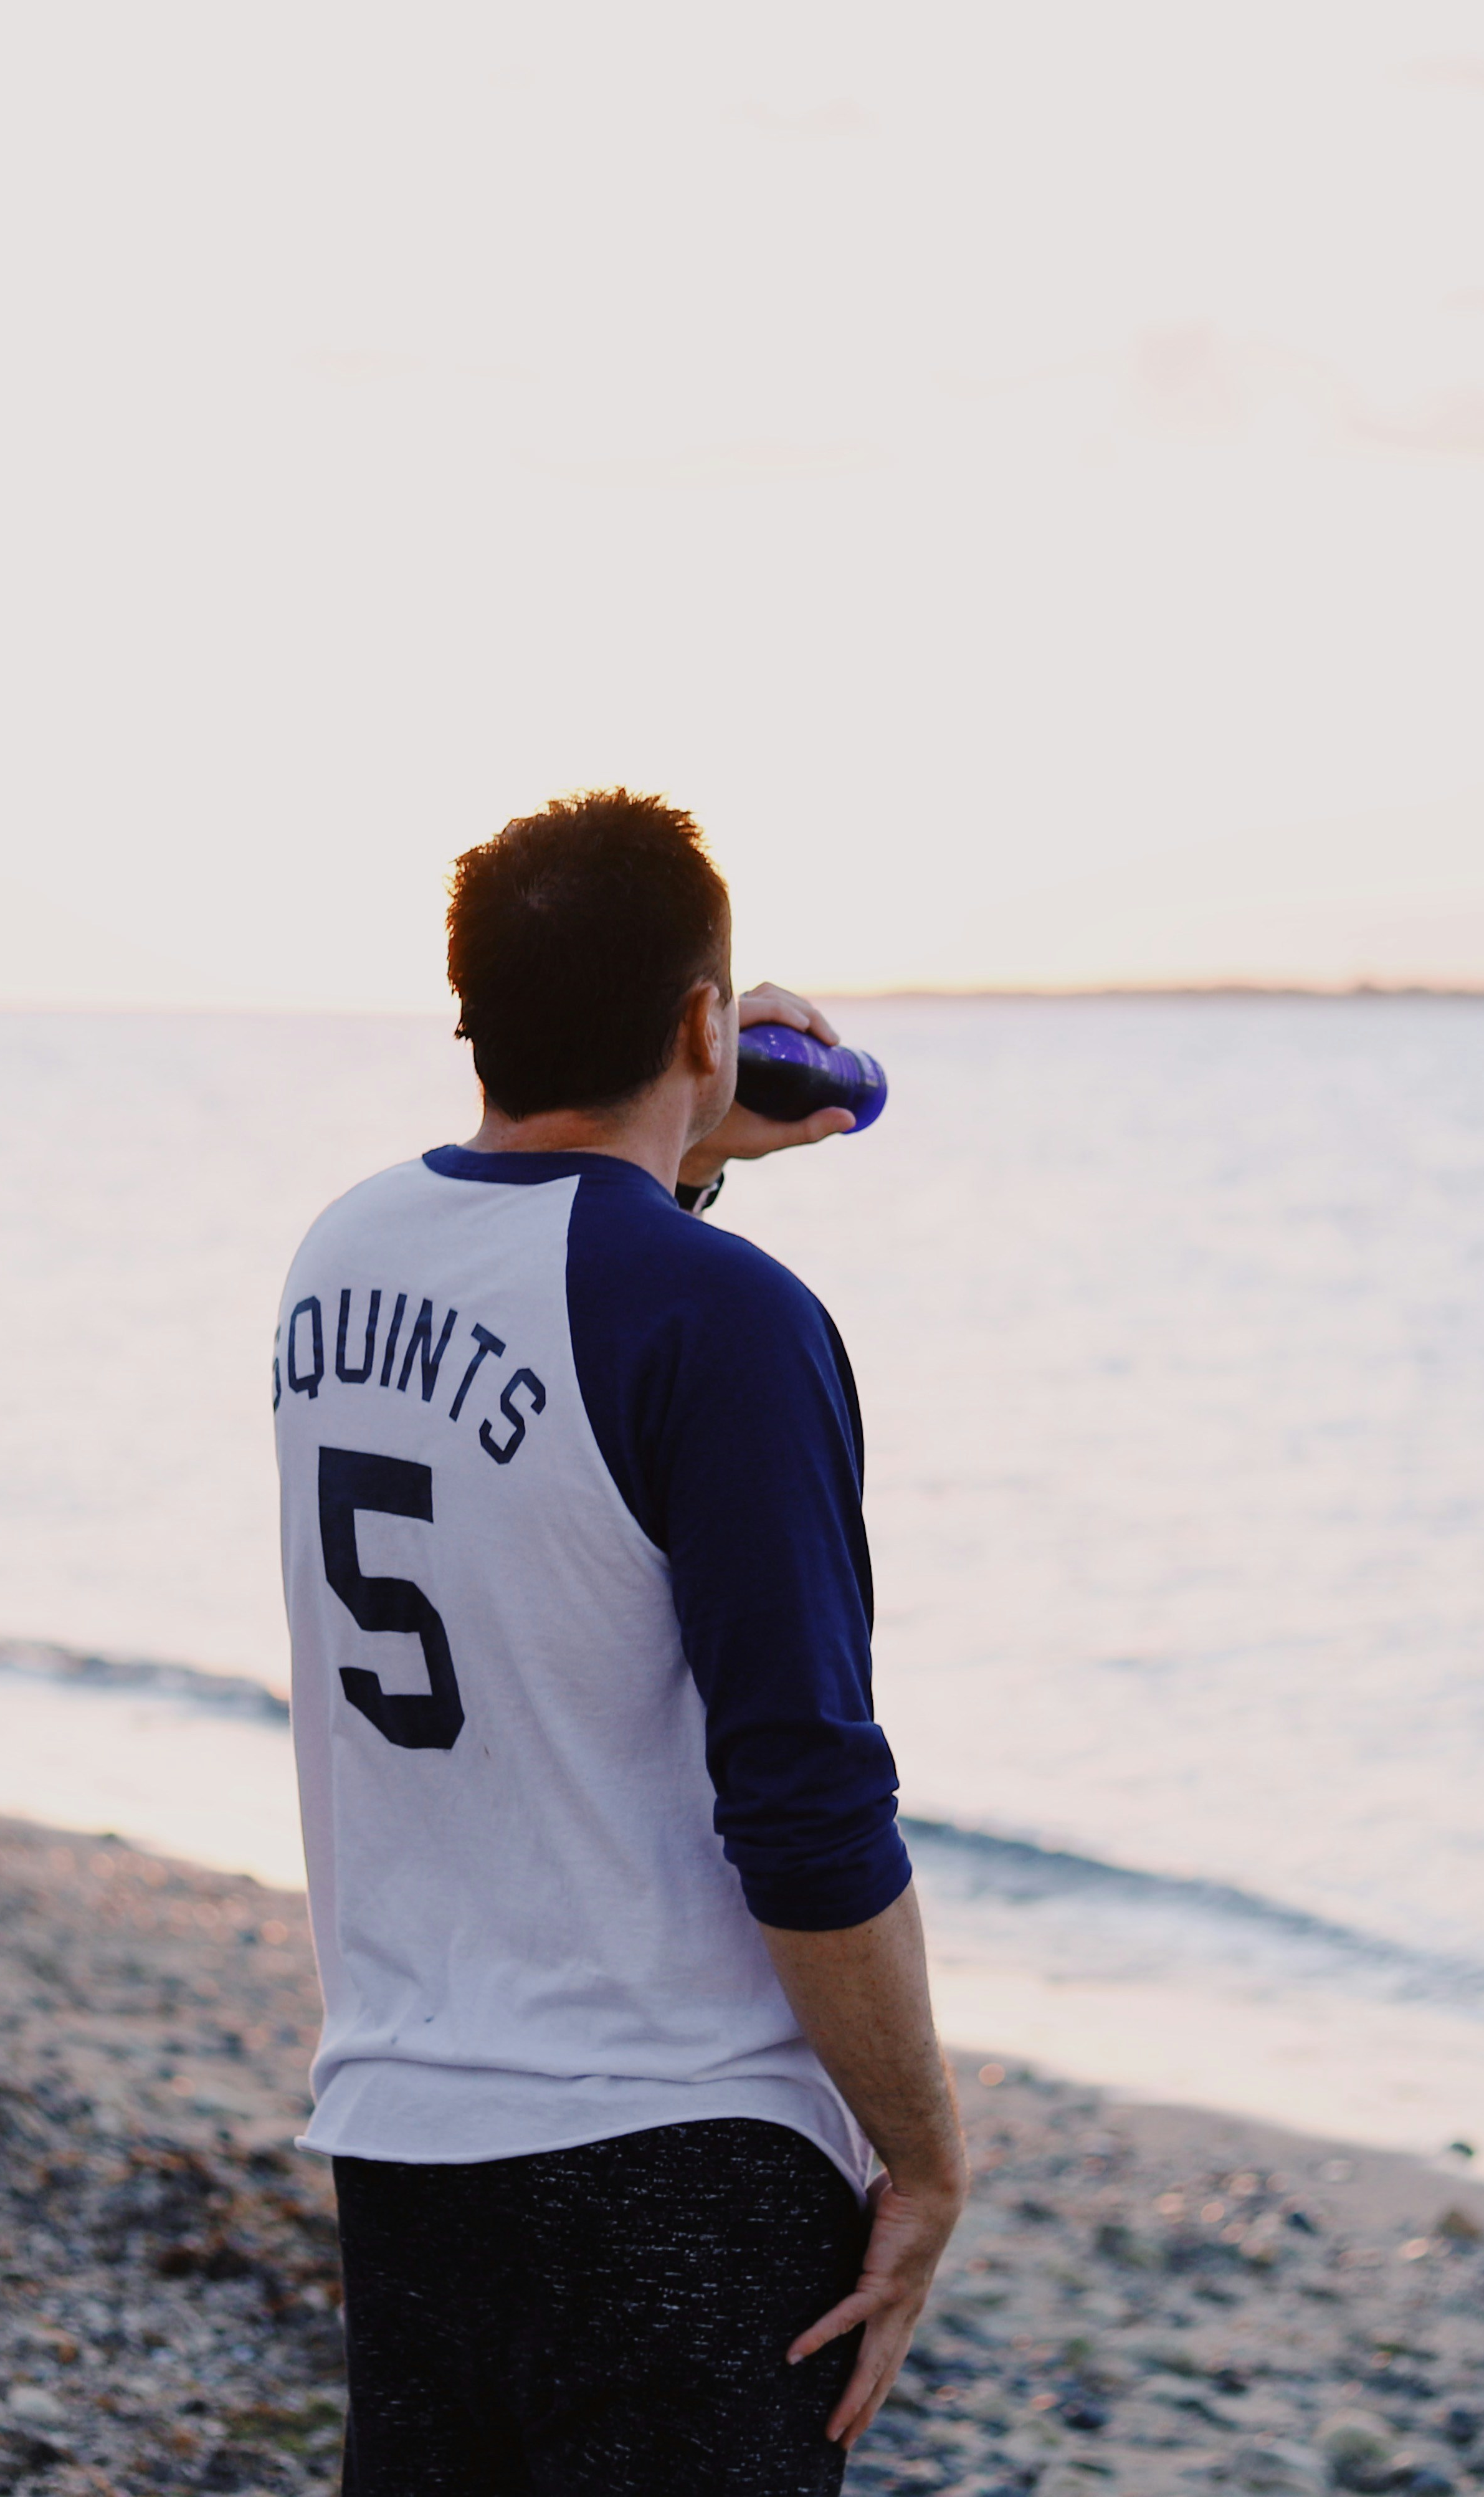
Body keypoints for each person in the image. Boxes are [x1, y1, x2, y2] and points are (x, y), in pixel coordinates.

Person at [267, 788, 965, 2493]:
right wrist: (925, 2160)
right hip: (677, 2154)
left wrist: (694, 1136)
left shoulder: (339, 1257)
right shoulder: (726, 1323)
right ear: (706, 1022)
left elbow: (557, 1290)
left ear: (473, 1017)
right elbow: (802, 1798)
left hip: (412, 2136)